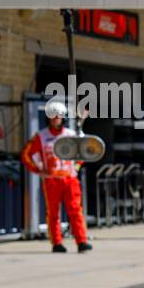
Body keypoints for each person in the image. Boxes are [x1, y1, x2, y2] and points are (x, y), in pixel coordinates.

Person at [21, 99, 92, 253]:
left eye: (58, 116)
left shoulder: (71, 134)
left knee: (75, 211)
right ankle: (57, 243)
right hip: (52, 180)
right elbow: (26, 154)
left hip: (70, 179)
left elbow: (81, 155)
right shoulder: (41, 136)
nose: (56, 118)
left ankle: (81, 241)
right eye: (53, 116)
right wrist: (38, 170)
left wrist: (76, 167)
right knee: (53, 213)